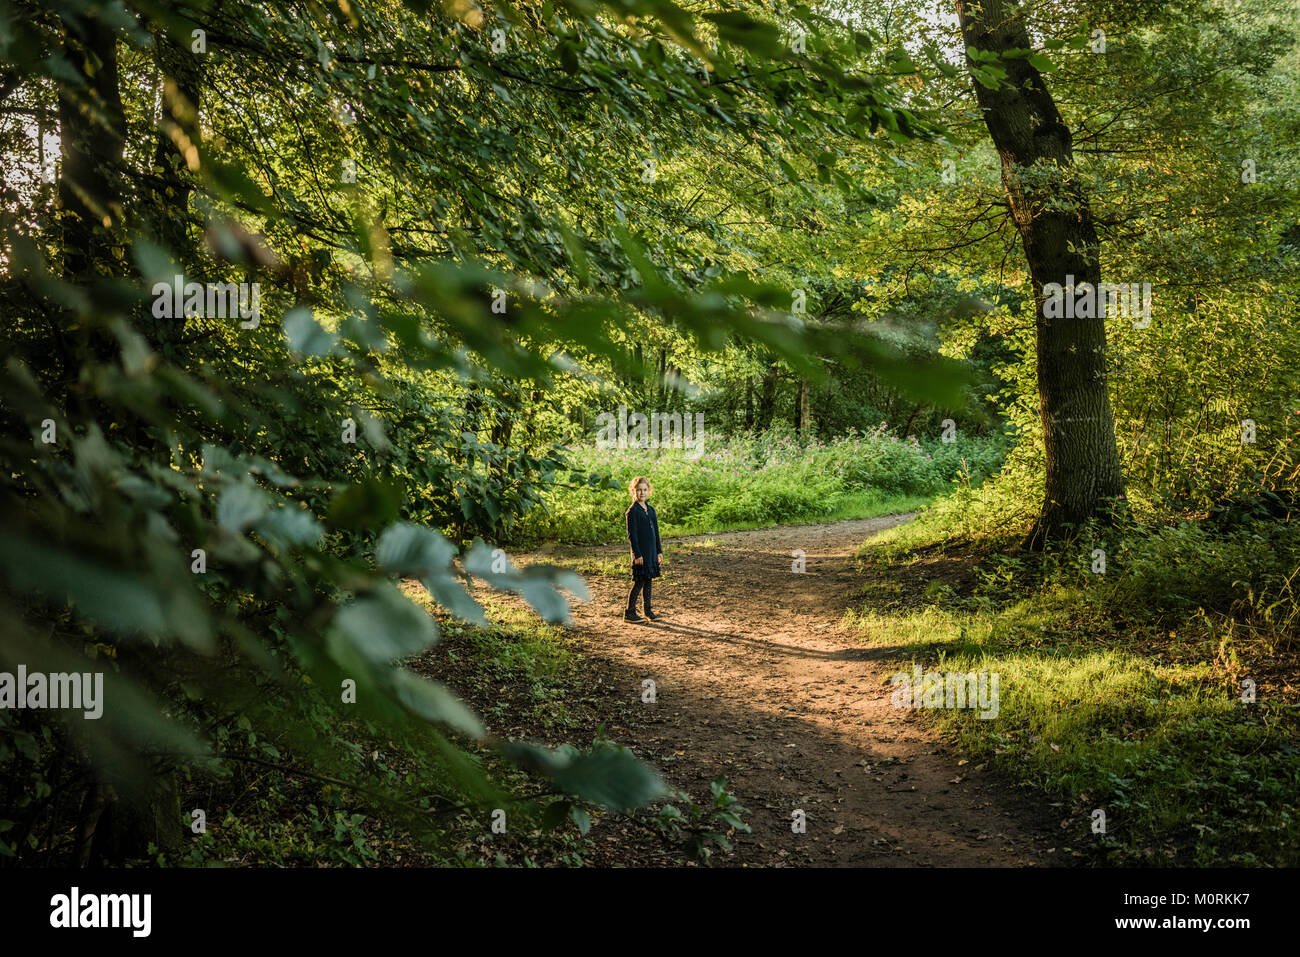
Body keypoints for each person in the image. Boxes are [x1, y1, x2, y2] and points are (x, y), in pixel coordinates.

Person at [624, 475, 663, 622]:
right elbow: (632, 535)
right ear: (633, 491)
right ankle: (629, 612)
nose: (642, 493)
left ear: (649, 491)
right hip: (640, 554)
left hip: (651, 552)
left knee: (648, 581)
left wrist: (659, 551)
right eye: (639, 490)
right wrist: (636, 554)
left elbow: (656, 533)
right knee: (639, 581)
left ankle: (648, 611)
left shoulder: (651, 510)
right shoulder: (632, 511)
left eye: (645, 490)